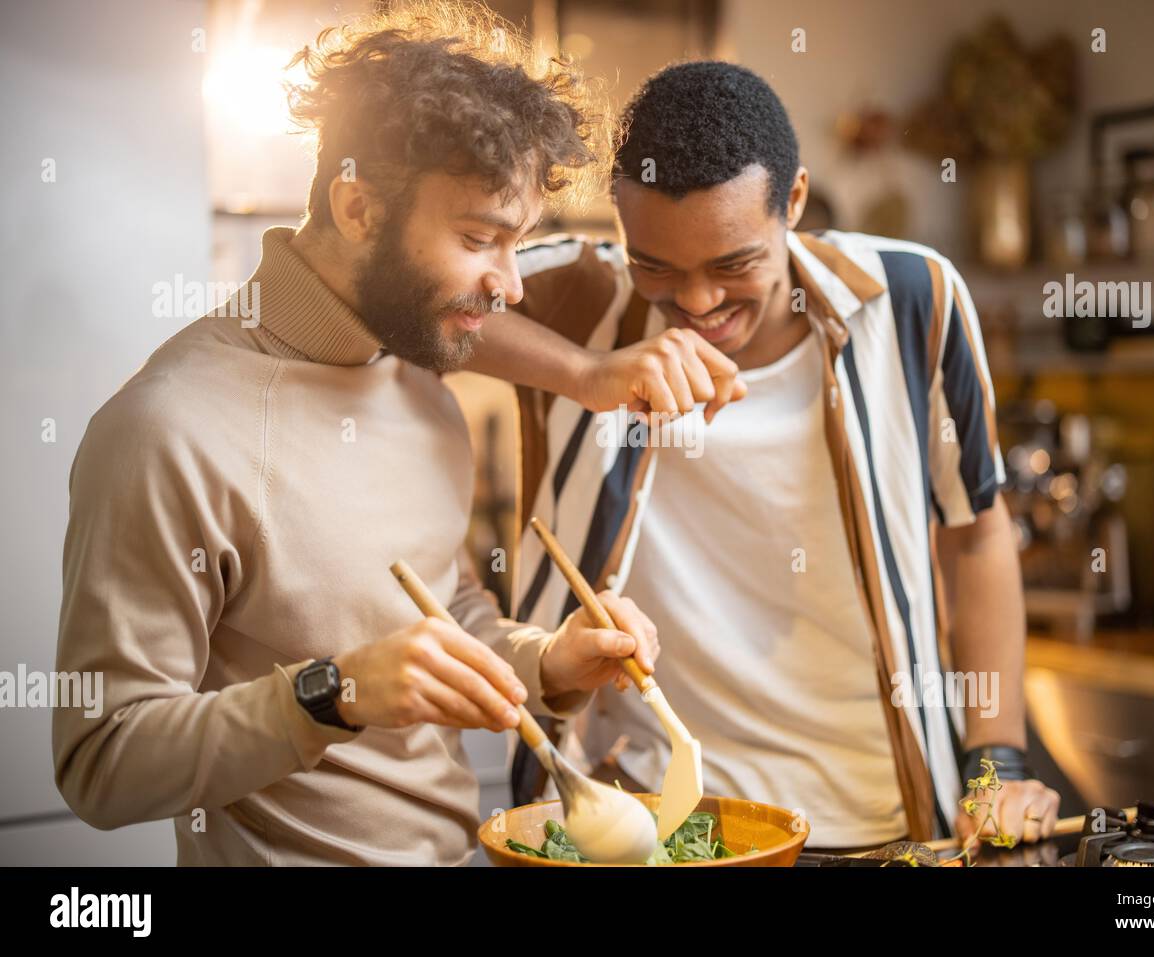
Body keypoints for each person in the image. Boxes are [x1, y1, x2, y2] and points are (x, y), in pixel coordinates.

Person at [52, 4, 684, 866]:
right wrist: (330, 694)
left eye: (519, 244)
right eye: (476, 239)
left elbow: (445, 611)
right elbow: (100, 763)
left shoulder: (422, 382)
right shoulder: (165, 430)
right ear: (356, 206)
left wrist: (550, 662)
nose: (511, 285)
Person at [471, 61, 1061, 850]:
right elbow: (405, 305)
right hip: (655, 831)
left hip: (886, 822)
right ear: (619, 220)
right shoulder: (583, 297)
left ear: (795, 202)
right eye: (657, 266)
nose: (698, 302)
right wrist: (586, 373)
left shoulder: (914, 298)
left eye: (733, 265)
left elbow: (977, 532)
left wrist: (995, 763)